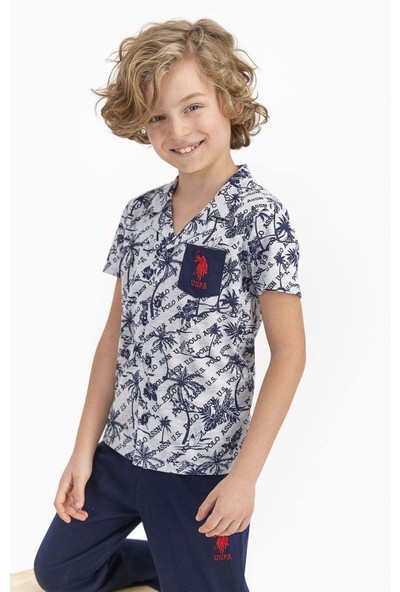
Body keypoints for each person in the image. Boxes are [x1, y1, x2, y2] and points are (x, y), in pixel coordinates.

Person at [33, 17, 306, 592]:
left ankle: (197, 567)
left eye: (192, 107)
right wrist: (82, 453)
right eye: (158, 117)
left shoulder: (260, 217)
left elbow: (290, 354)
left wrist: (245, 478)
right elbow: (114, 337)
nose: (177, 130)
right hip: (120, 452)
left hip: (199, 466)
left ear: (227, 100)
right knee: (58, 571)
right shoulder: (139, 214)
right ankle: (182, 563)